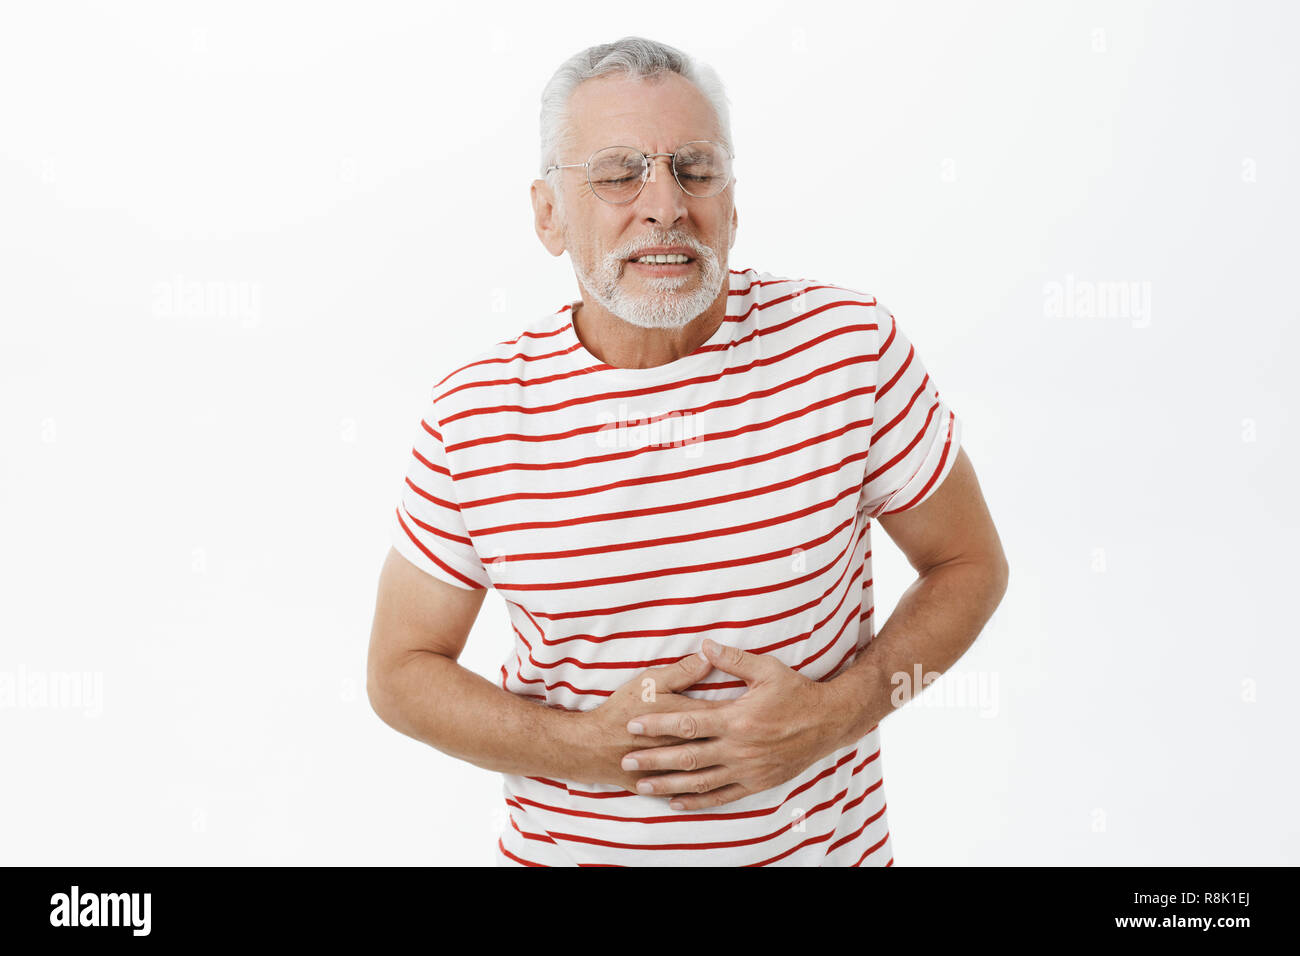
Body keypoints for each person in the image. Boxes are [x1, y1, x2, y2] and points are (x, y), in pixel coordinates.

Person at [366, 36, 1009, 866]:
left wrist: (834, 715)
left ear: (733, 202)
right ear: (547, 214)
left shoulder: (849, 351)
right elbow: (401, 673)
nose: (664, 203)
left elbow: (970, 566)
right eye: (617, 172)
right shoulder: (478, 413)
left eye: (695, 168)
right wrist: (591, 749)